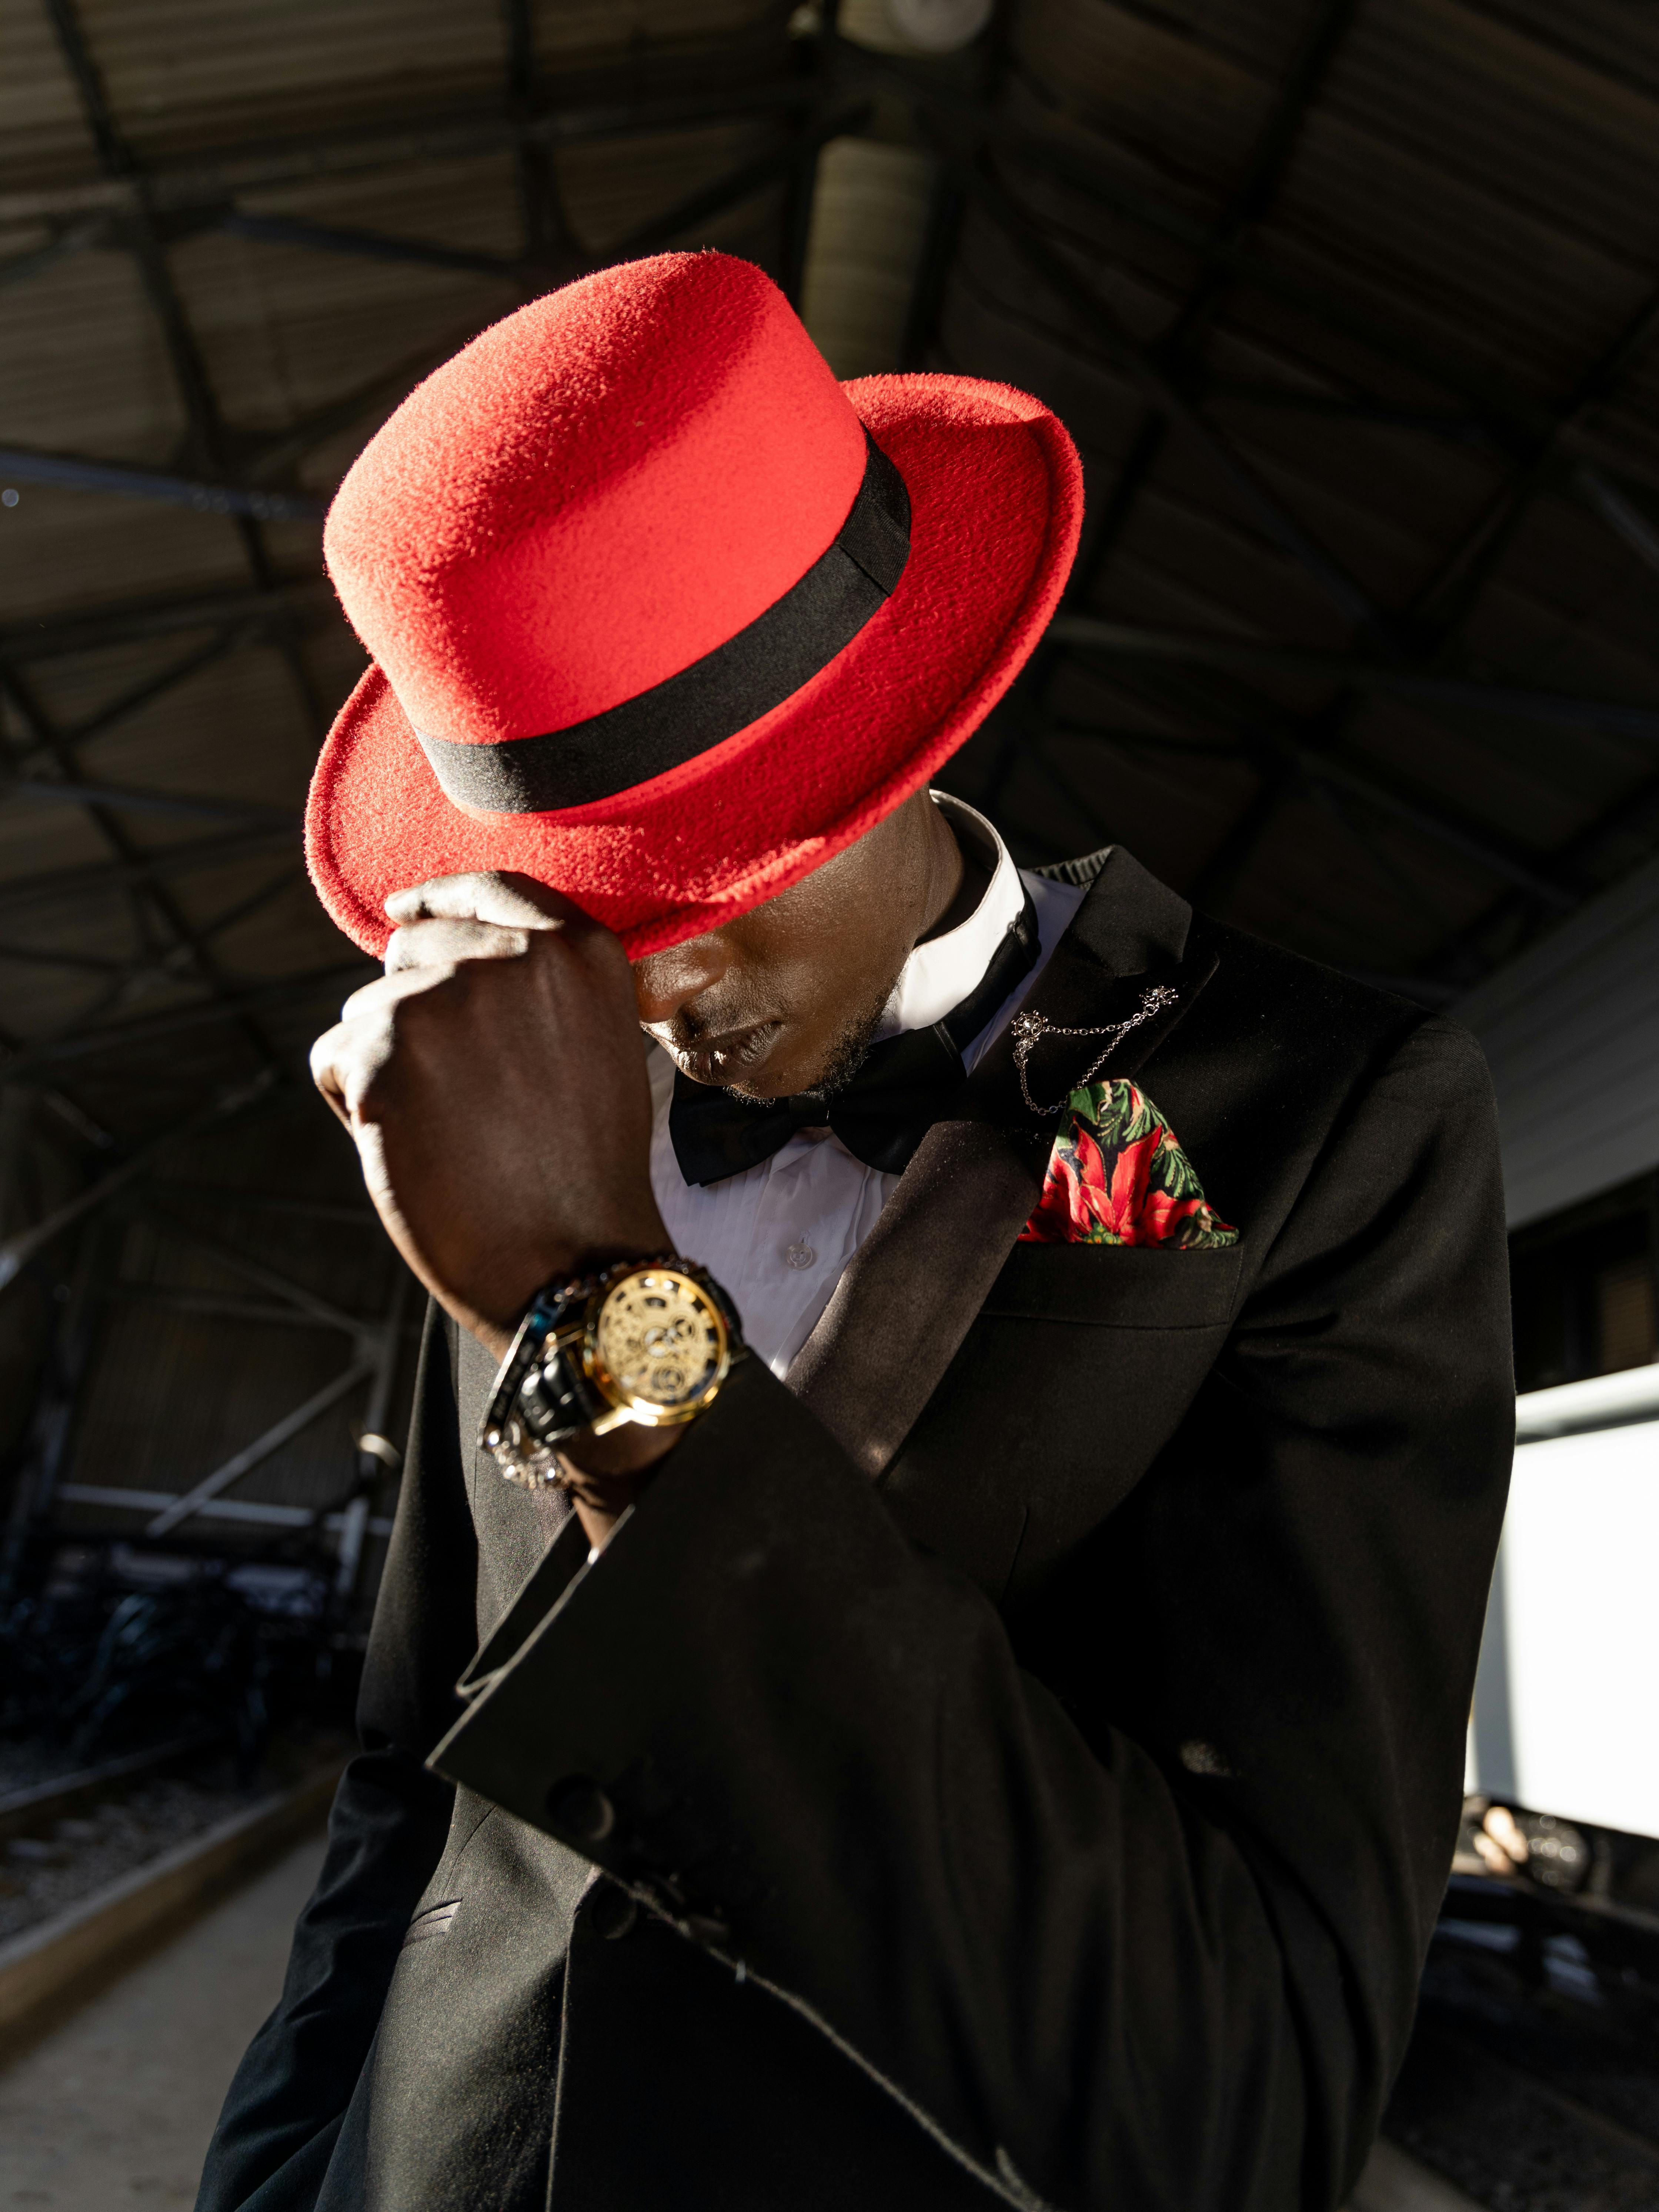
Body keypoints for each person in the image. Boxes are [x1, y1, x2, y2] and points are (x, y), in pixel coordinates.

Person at [196, 251, 1513, 2212]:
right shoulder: (508, 1106)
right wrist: (275, 2178)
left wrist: (600, 1312)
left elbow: (1245, 2096)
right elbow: (411, 1775)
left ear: (888, 713)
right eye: (588, 902)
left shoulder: (1330, 1124)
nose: (649, 987)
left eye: (708, 870)